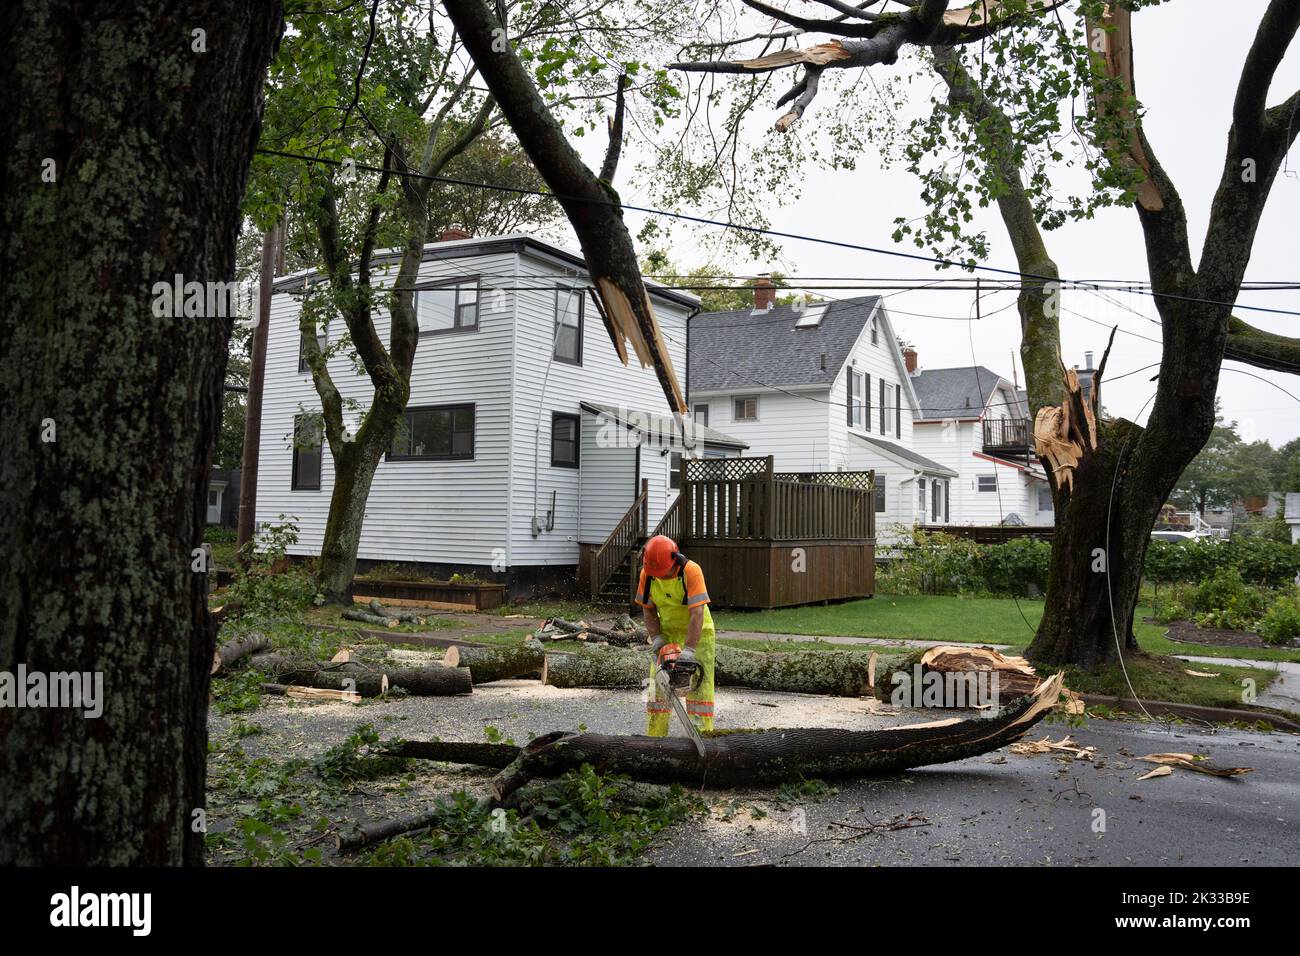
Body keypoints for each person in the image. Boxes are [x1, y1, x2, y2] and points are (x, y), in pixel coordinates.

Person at [635, 534, 715, 736]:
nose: (660, 577)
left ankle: (704, 737)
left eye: (662, 572)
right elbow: (648, 610)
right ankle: (655, 738)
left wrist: (689, 650)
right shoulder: (648, 573)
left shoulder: (691, 571)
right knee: (658, 687)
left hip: (699, 633)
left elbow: (696, 613)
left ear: (674, 559)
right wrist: (657, 639)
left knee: (699, 688)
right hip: (668, 632)